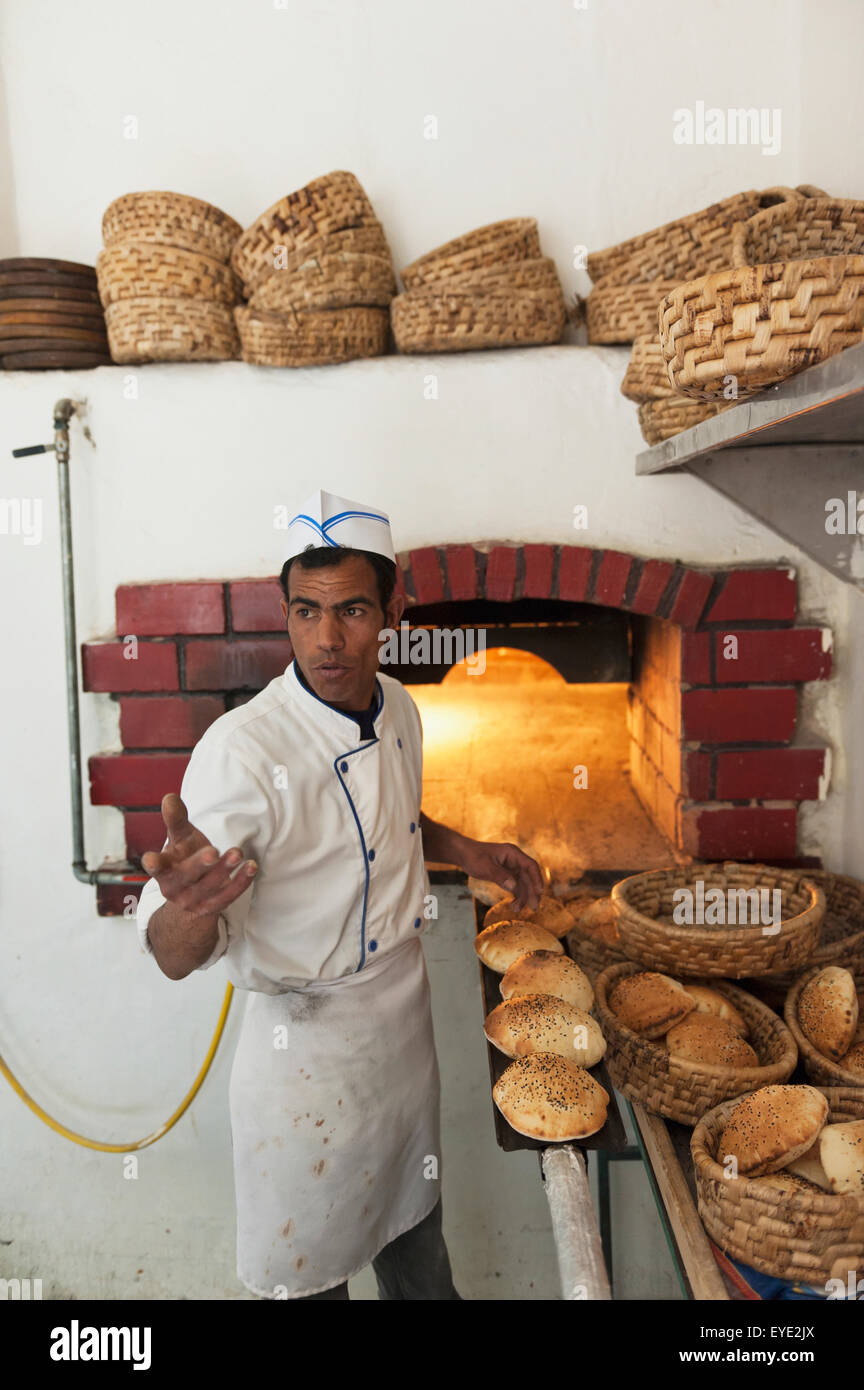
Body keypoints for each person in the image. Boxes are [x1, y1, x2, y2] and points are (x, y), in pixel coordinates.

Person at [136, 489, 542, 1300]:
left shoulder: (400, 709)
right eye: (306, 611)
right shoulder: (245, 751)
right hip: (304, 1066)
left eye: (353, 610)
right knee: (305, 1279)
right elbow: (171, 955)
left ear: (395, 607)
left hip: (401, 1040)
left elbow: (393, 818)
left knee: (422, 1269)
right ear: (283, 612)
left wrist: (471, 850)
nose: (327, 639)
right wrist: (189, 906)